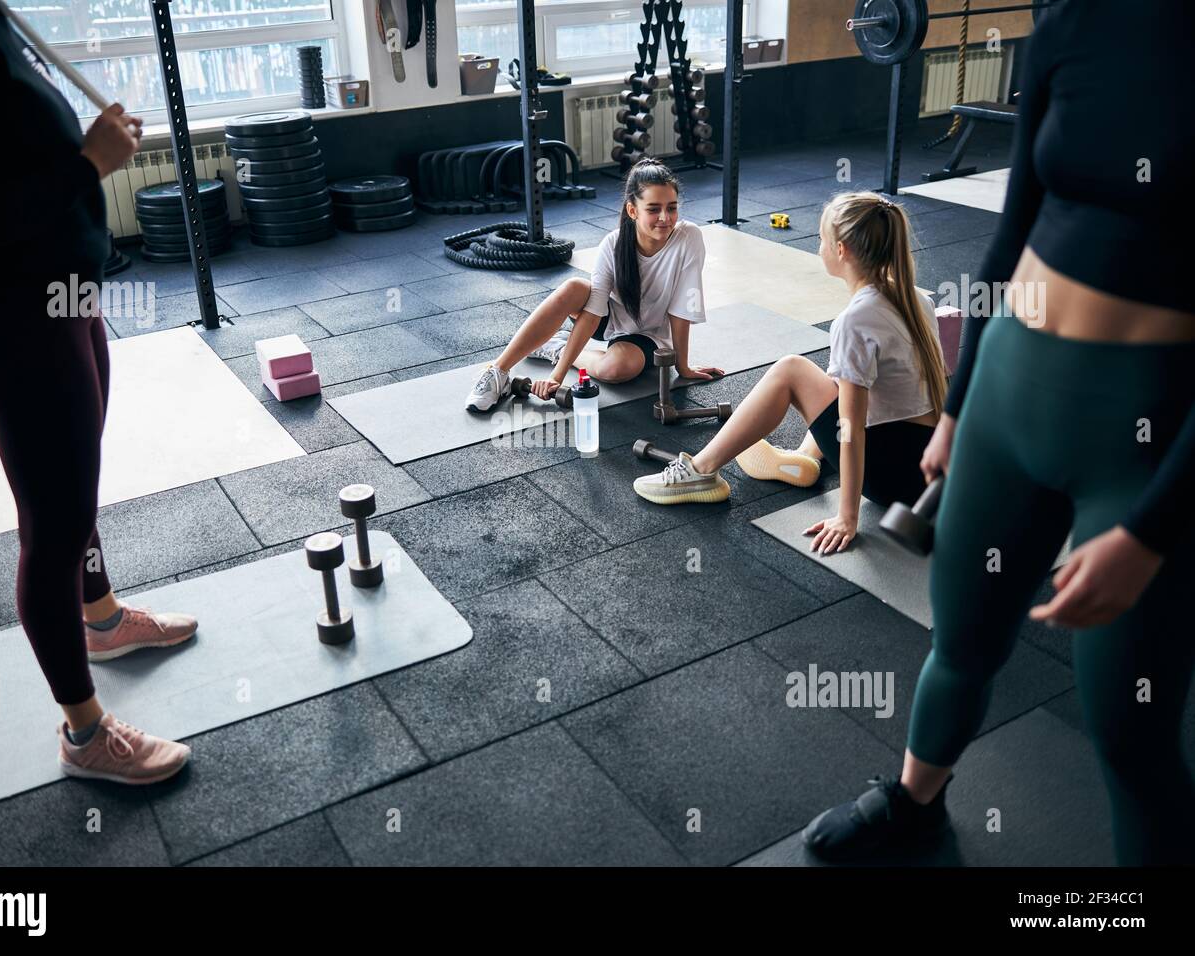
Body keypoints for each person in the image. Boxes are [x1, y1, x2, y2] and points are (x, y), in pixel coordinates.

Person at [803, 0, 1195, 865]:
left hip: (1146, 439)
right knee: (962, 641)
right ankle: (914, 808)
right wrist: (956, 406)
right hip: (1009, 399)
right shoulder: (1078, 24)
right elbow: (1011, 233)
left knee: (1132, 727)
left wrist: (1150, 532)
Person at [0, 2, 195, 784]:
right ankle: (84, 733)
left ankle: (98, 617)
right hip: (10, 311)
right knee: (53, 525)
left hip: (58, 294)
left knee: (74, 493)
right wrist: (89, 163)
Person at [633, 192, 946, 552]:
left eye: (822, 240)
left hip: (888, 478)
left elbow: (851, 429)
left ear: (841, 250)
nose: (819, 248)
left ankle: (700, 471)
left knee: (791, 370)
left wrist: (847, 516)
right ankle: (804, 458)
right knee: (840, 381)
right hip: (925, 469)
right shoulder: (918, 300)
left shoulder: (856, 320)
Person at [464, 157, 721, 413]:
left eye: (672, 207)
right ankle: (497, 372)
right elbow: (593, 312)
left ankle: (557, 347)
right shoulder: (613, 243)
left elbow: (681, 307)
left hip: (649, 333)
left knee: (616, 369)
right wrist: (557, 377)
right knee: (574, 287)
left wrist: (683, 366)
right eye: (653, 209)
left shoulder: (689, 237)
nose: (665, 218)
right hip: (608, 319)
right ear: (633, 210)